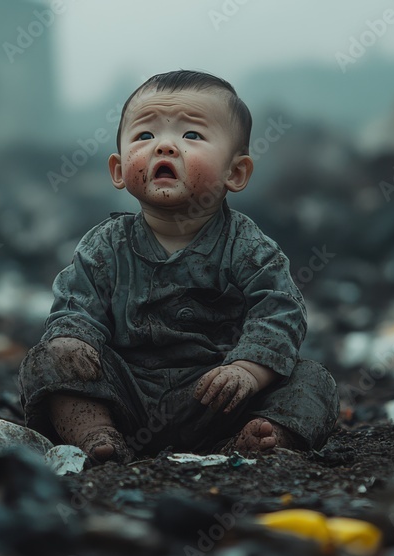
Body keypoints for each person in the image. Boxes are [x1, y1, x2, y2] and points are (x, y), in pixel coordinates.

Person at [19, 70, 339, 463]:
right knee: (47, 358)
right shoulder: (104, 245)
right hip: (125, 398)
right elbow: (77, 304)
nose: (165, 147)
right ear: (118, 170)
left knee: (313, 382)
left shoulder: (249, 246)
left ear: (235, 173)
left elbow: (281, 309)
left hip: (218, 398)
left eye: (191, 136)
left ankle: (256, 441)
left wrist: (247, 370)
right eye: (145, 136)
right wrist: (74, 339)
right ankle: (95, 436)